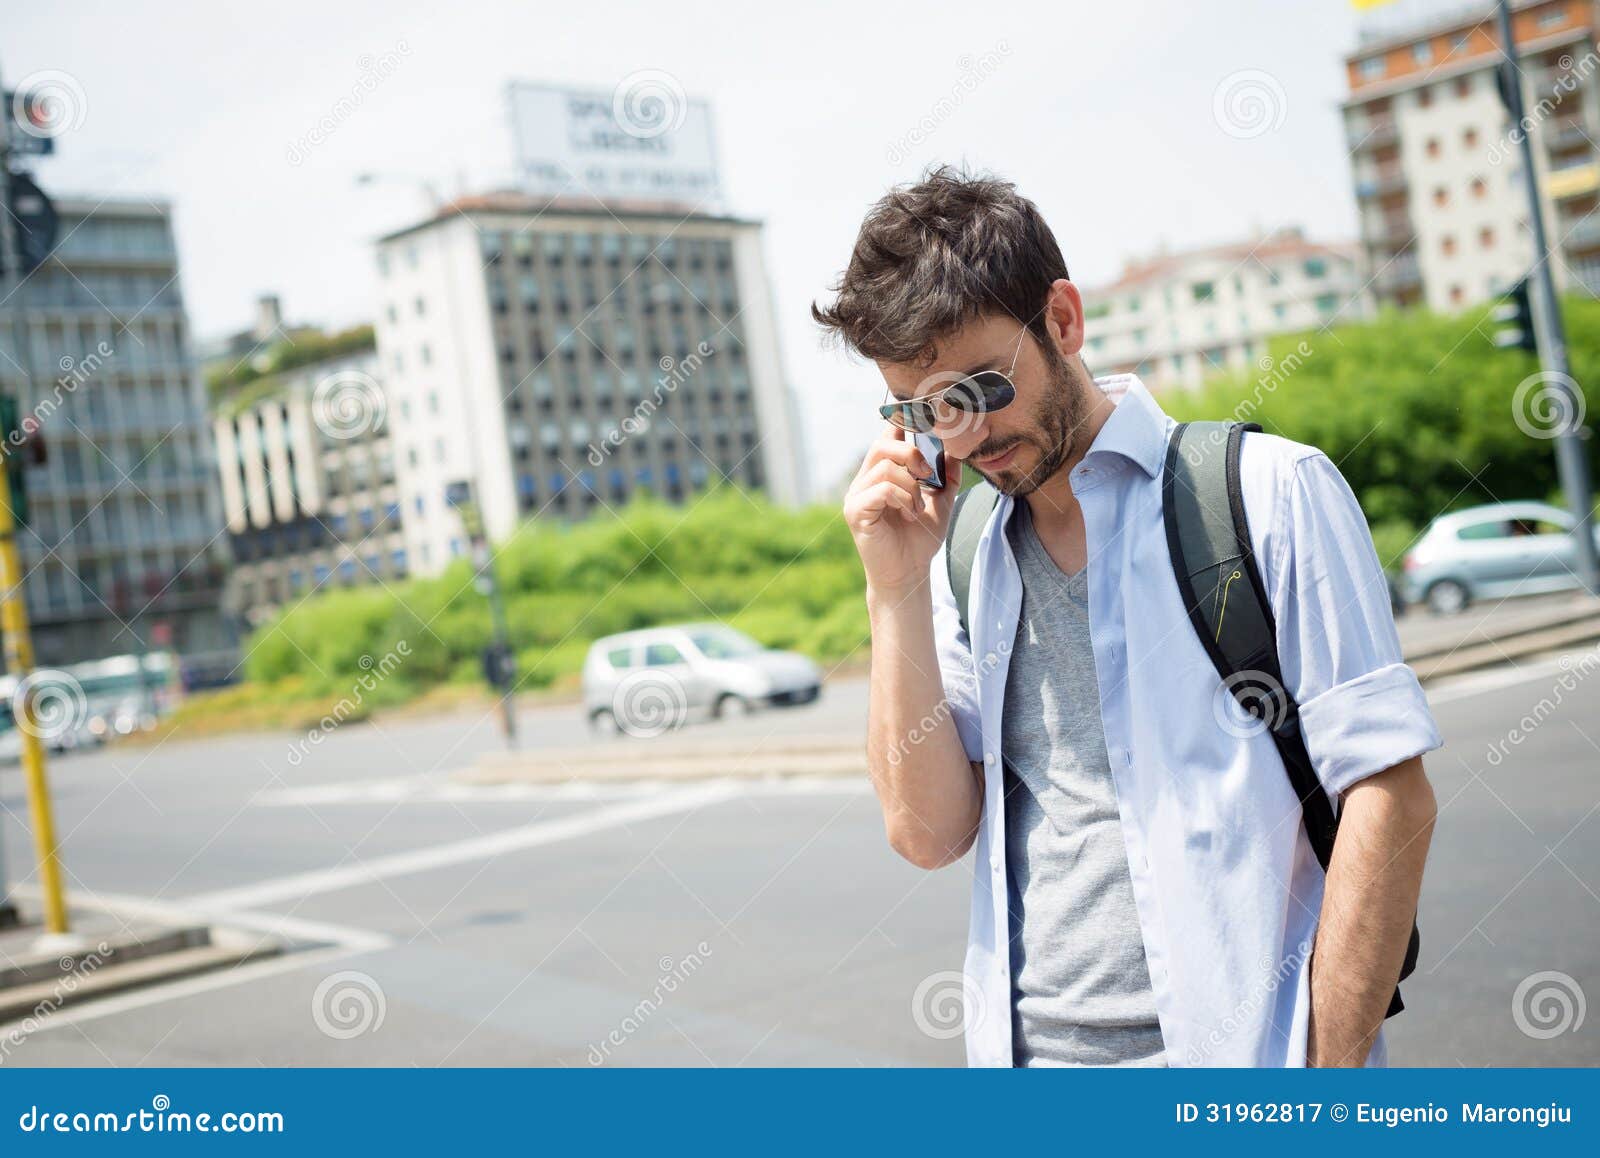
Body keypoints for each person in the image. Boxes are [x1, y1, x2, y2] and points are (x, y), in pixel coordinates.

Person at [816, 167, 1440, 1068]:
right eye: (926, 410)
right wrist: (895, 589)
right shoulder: (965, 557)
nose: (963, 436)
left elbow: (1390, 796)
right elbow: (928, 832)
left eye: (981, 388)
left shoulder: (1264, 496)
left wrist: (1322, 1085)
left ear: (1062, 320)